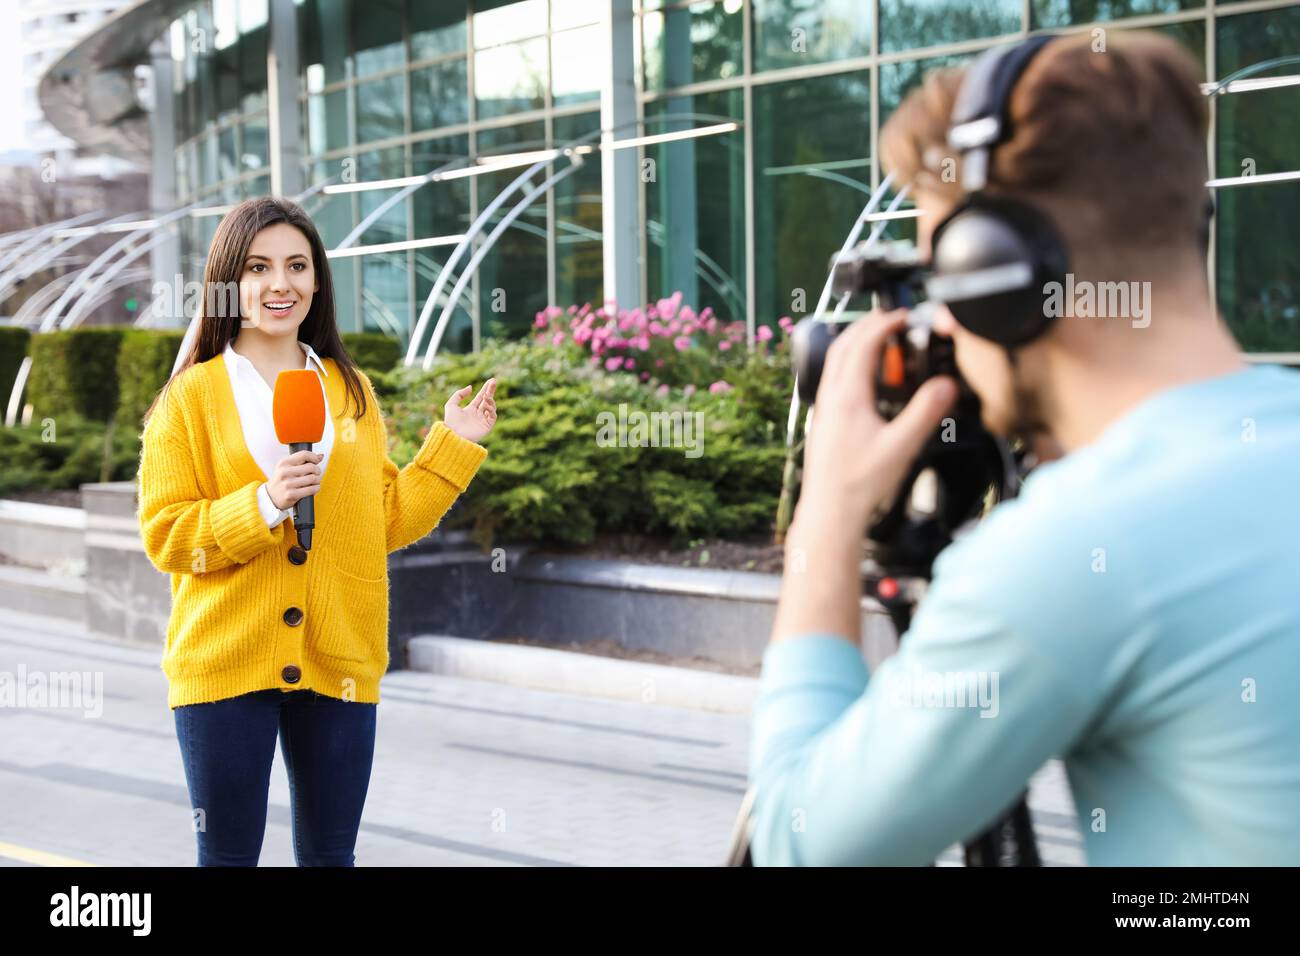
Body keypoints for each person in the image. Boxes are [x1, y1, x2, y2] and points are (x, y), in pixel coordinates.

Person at [748, 31, 1300, 865]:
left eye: (942, 277)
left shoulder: (1078, 547)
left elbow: (803, 846)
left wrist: (826, 515)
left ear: (997, 276)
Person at [137, 197, 499, 866]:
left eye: (298, 266)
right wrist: (265, 503)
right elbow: (167, 536)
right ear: (228, 282)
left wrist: (454, 445)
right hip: (223, 666)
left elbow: (383, 519)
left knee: (332, 859)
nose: (282, 284)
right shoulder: (190, 398)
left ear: (317, 280)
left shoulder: (349, 389)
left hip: (341, 662)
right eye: (259, 267)